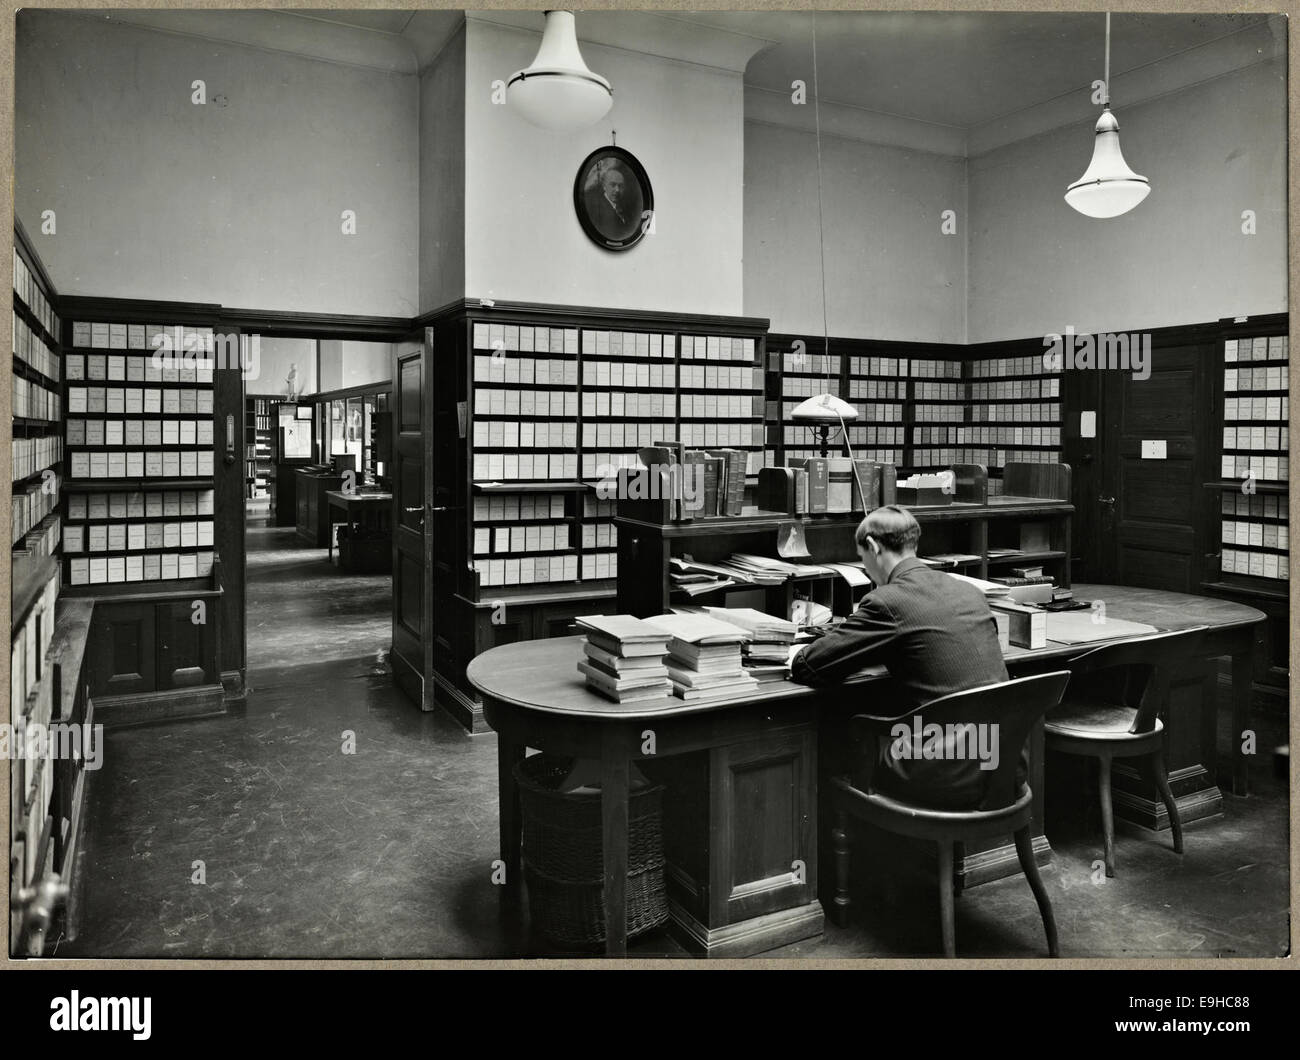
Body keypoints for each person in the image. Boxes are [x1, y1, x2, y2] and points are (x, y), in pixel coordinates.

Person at [789, 505, 1012, 809]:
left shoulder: (887, 602)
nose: (866, 568)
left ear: (872, 546)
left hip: (941, 769)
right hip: (1000, 762)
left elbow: (808, 666)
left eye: (863, 559)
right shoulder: (967, 590)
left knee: (833, 740)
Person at [584, 164, 640, 243]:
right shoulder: (596, 209)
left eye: (620, 186)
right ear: (604, 186)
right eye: (613, 185)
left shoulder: (626, 210)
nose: (617, 190)